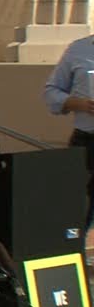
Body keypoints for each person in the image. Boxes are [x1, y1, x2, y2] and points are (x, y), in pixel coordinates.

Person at [43, 33, 94, 237]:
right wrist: (78, 103)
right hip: (87, 143)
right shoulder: (78, 49)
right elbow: (51, 92)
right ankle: (73, 254)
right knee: (75, 214)